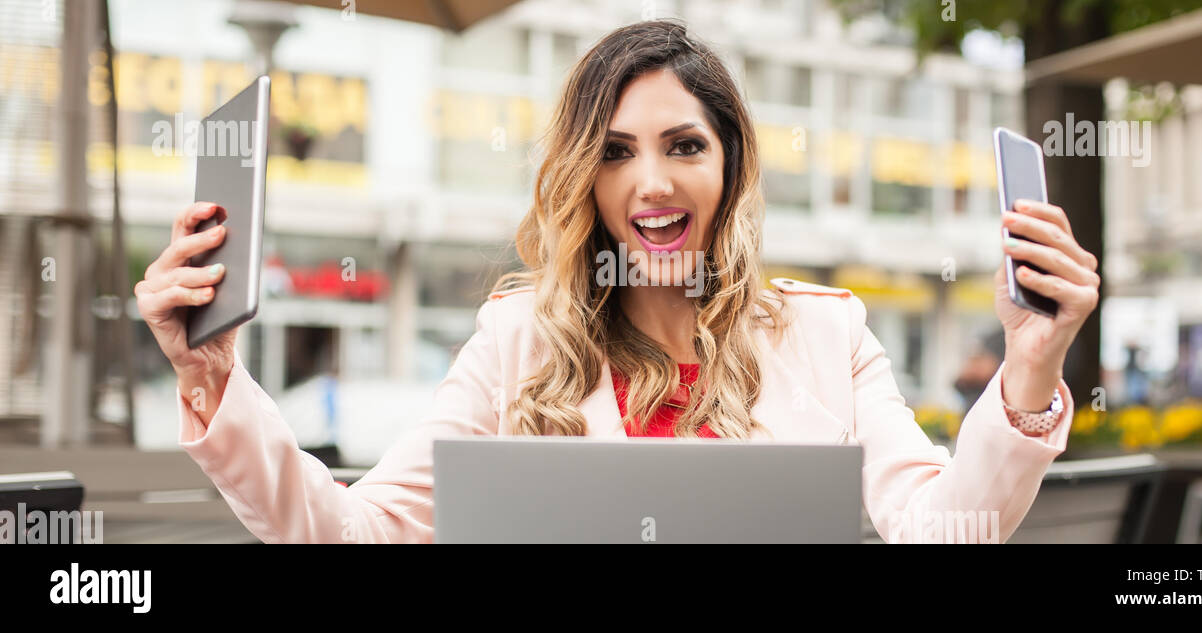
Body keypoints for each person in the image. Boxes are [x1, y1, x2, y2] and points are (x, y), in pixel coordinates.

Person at [133, 20, 1100, 543]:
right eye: (616, 152)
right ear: (583, 180)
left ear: (731, 169)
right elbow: (355, 531)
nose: (651, 182)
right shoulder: (518, 342)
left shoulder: (826, 334)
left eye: (685, 146)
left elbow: (946, 531)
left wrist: (1029, 366)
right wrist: (214, 380)